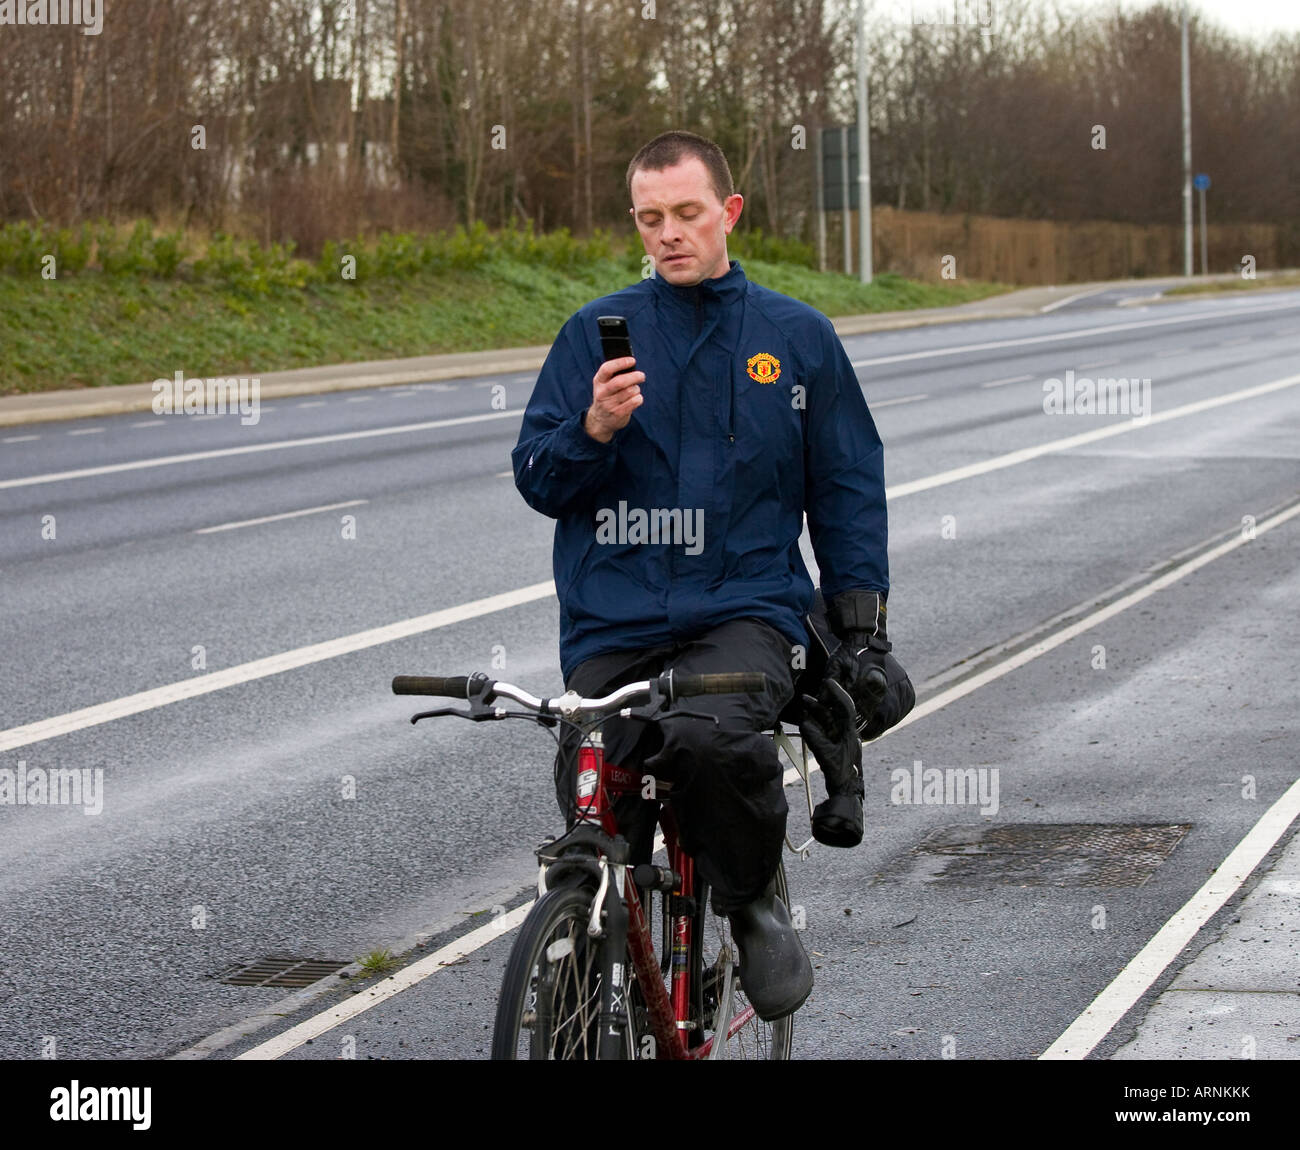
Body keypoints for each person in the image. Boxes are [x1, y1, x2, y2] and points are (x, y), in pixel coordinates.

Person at [511, 130, 912, 1021]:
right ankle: (584, 969)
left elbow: (846, 486)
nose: (669, 234)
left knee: (707, 740)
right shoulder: (592, 335)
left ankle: (753, 905)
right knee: (597, 785)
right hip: (613, 623)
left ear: (727, 212)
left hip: (742, 610)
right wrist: (592, 431)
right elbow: (538, 478)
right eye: (650, 219)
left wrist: (860, 631)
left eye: (687, 213)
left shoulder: (797, 339)